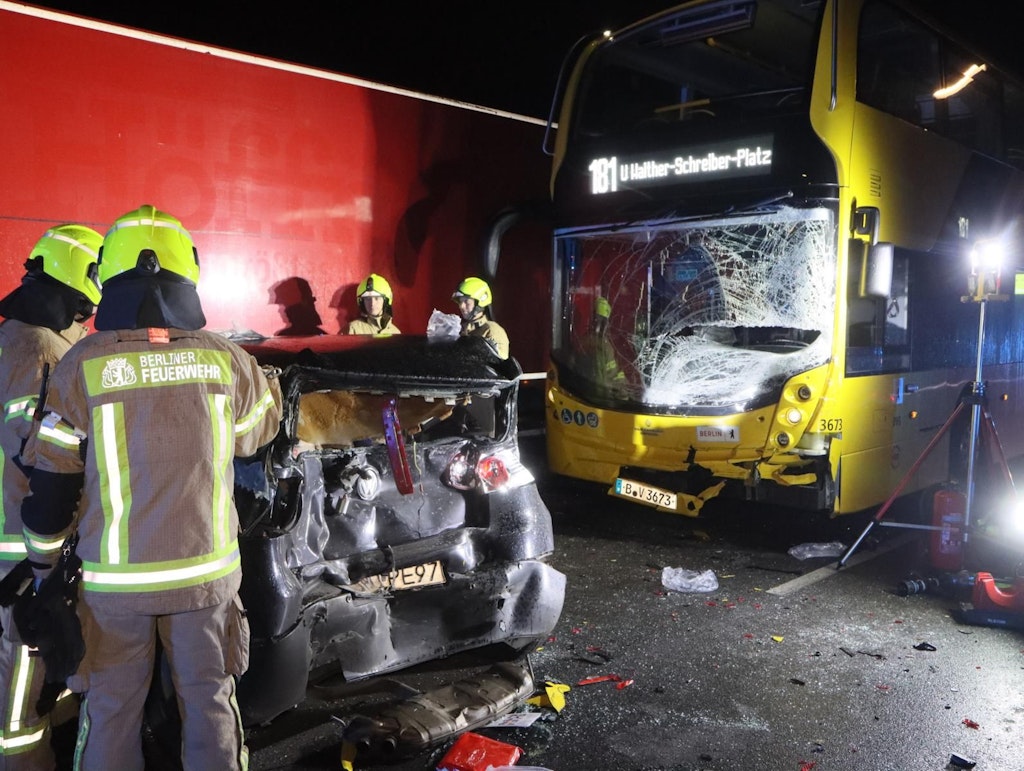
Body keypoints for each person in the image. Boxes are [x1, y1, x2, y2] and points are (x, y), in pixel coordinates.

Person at [18, 205, 282, 770]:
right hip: (206, 581)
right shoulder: (226, 359)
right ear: (189, 271)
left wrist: (44, 576)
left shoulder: (79, 365)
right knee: (211, 707)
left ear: (108, 276)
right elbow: (256, 435)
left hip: (115, 589)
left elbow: (49, 498)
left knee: (111, 713)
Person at [0, 224, 102, 770]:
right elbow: (41, 461)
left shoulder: (17, 337)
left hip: (17, 549)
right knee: (18, 704)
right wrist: (45, 560)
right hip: (21, 557)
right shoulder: (39, 351)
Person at [451, 277, 508, 359]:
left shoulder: (492, 330)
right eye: (460, 301)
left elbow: (499, 366)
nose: (461, 306)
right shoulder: (459, 330)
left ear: (480, 301)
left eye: (466, 301)